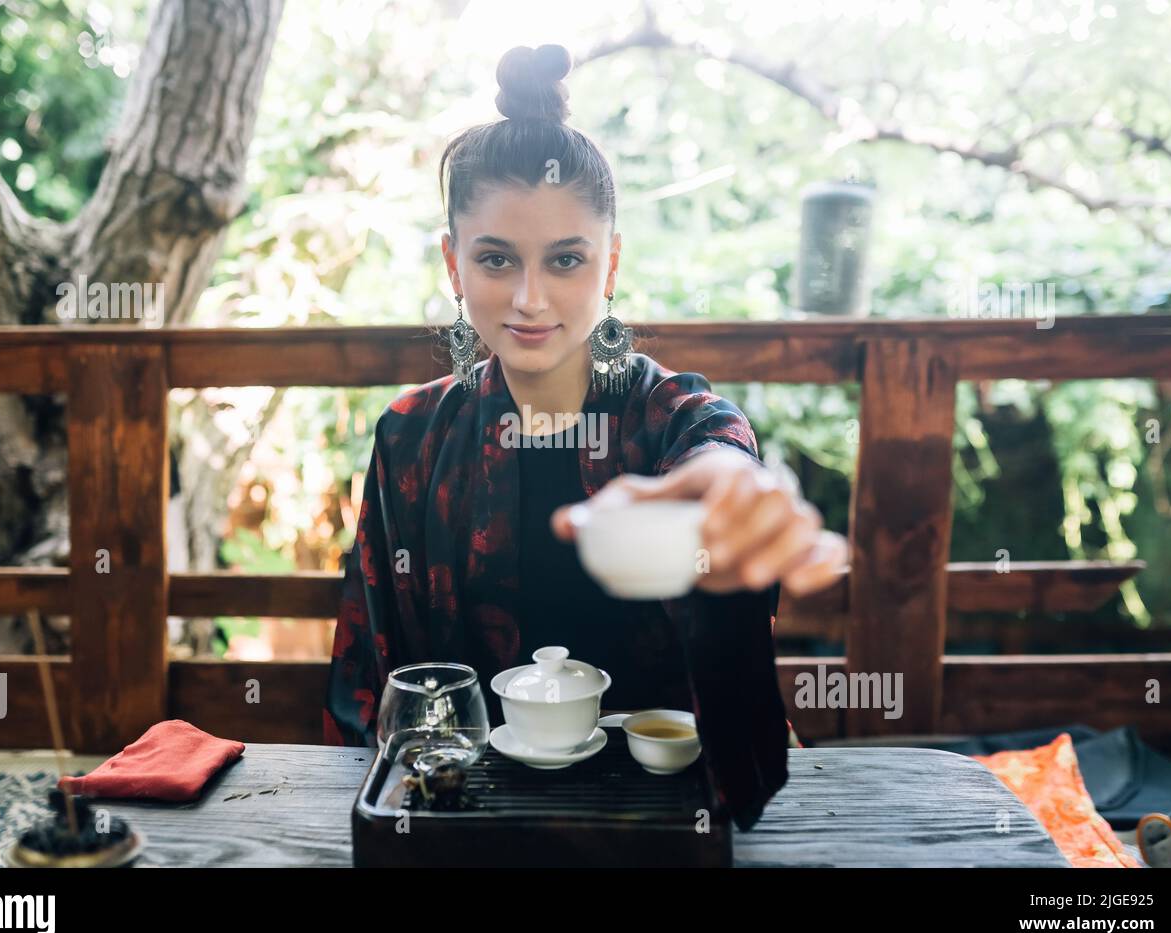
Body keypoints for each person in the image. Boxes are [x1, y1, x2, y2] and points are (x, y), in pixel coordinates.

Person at [323, 43, 848, 830]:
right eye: (496, 259)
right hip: (469, 814)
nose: (531, 300)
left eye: (566, 260)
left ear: (610, 266)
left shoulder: (675, 417)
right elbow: (371, 683)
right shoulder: (411, 438)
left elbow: (719, 458)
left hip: (666, 814)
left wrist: (735, 495)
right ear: (453, 264)